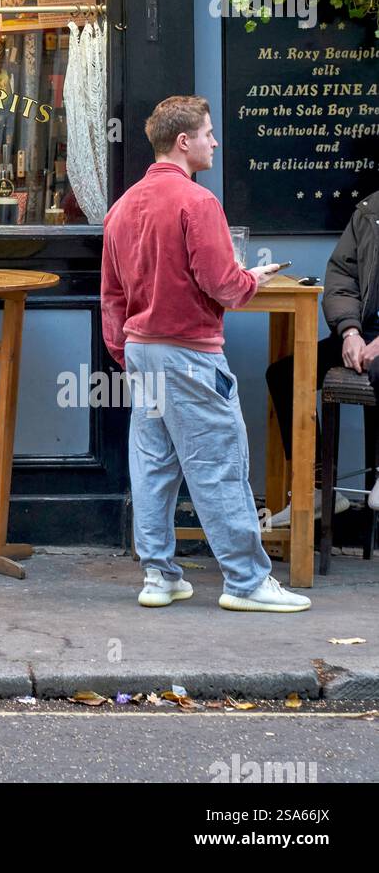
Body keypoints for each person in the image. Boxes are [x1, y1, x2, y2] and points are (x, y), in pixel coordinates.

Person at [101, 95, 310, 612]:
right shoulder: (198, 203)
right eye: (208, 134)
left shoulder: (122, 207)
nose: (215, 142)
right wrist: (250, 279)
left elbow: (111, 295)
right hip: (190, 353)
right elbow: (222, 284)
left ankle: (160, 575)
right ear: (184, 141)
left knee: (153, 465)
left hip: (142, 351)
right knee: (219, 462)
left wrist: (124, 352)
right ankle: (246, 581)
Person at [264, 189, 379, 526]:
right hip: (362, 332)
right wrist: (350, 332)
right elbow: (342, 278)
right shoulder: (369, 211)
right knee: (284, 375)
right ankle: (314, 491)